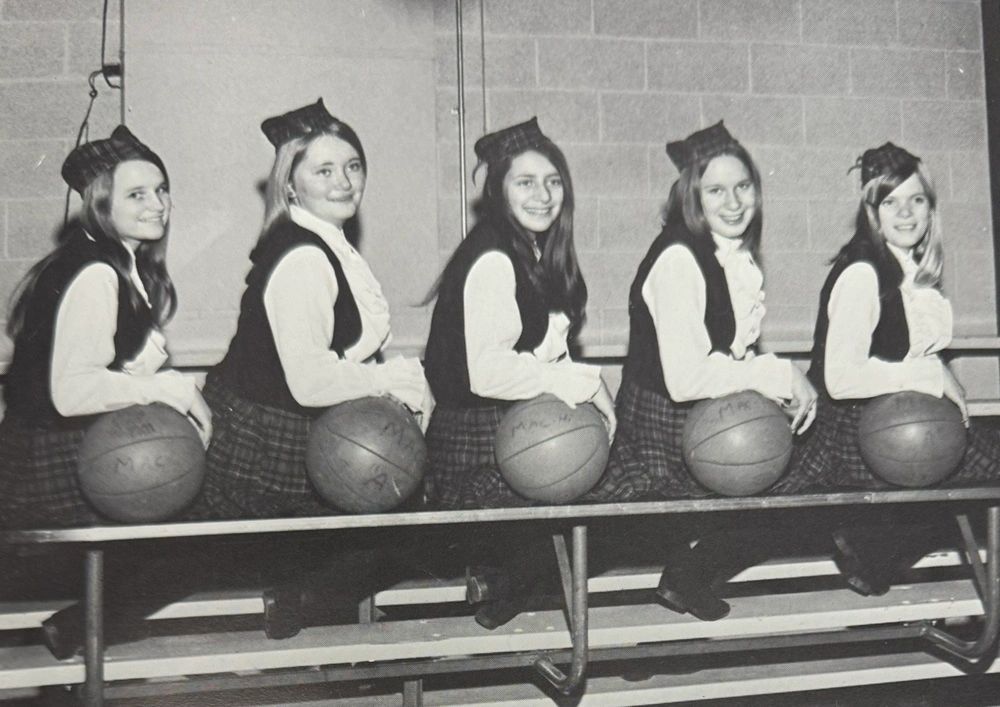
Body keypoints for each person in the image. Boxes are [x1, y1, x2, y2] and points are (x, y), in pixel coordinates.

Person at [198, 98, 433, 637]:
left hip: (300, 429)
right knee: (411, 530)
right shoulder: (304, 256)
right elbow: (309, 381)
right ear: (290, 184)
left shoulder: (328, 243)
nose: (344, 181)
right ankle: (305, 612)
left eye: (353, 166)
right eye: (324, 170)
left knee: (394, 532)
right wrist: (388, 379)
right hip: (268, 439)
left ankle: (307, 612)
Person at [0, 125, 212, 657]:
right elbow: (71, 391)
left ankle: (86, 629)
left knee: (197, 536)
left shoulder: (112, 260)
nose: (158, 204)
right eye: (137, 194)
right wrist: (170, 388)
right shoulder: (97, 272)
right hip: (47, 460)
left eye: (161, 189)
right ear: (100, 203)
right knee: (206, 539)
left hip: (48, 448)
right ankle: (81, 630)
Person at [423, 117, 624, 628]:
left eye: (553, 181)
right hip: (476, 443)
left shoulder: (530, 250)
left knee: (617, 508)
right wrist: (583, 382)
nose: (543, 195)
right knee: (622, 516)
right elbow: (487, 373)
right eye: (526, 182)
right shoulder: (493, 258)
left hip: (513, 431)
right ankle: (502, 583)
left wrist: (583, 380)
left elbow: (536, 355)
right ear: (498, 191)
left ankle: (501, 583)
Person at [615, 121, 819, 621]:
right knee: (797, 492)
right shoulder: (679, 259)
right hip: (664, 420)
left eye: (743, 187)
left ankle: (686, 574)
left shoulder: (728, 254)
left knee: (802, 489)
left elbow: (725, 355)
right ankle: (683, 576)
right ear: (692, 196)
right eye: (716, 190)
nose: (733, 202)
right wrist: (778, 374)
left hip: (701, 414)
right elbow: (687, 379)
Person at [776, 142, 1000, 595]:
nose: (906, 213)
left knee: (982, 473)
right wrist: (927, 376)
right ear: (872, 211)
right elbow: (841, 380)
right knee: (978, 479)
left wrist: (937, 369)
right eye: (890, 202)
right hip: (851, 427)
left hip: (896, 416)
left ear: (930, 207)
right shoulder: (863, 273)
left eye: (917, 199)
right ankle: (869, 550)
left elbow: (909, 346)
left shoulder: (908, 266)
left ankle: (872, 554)